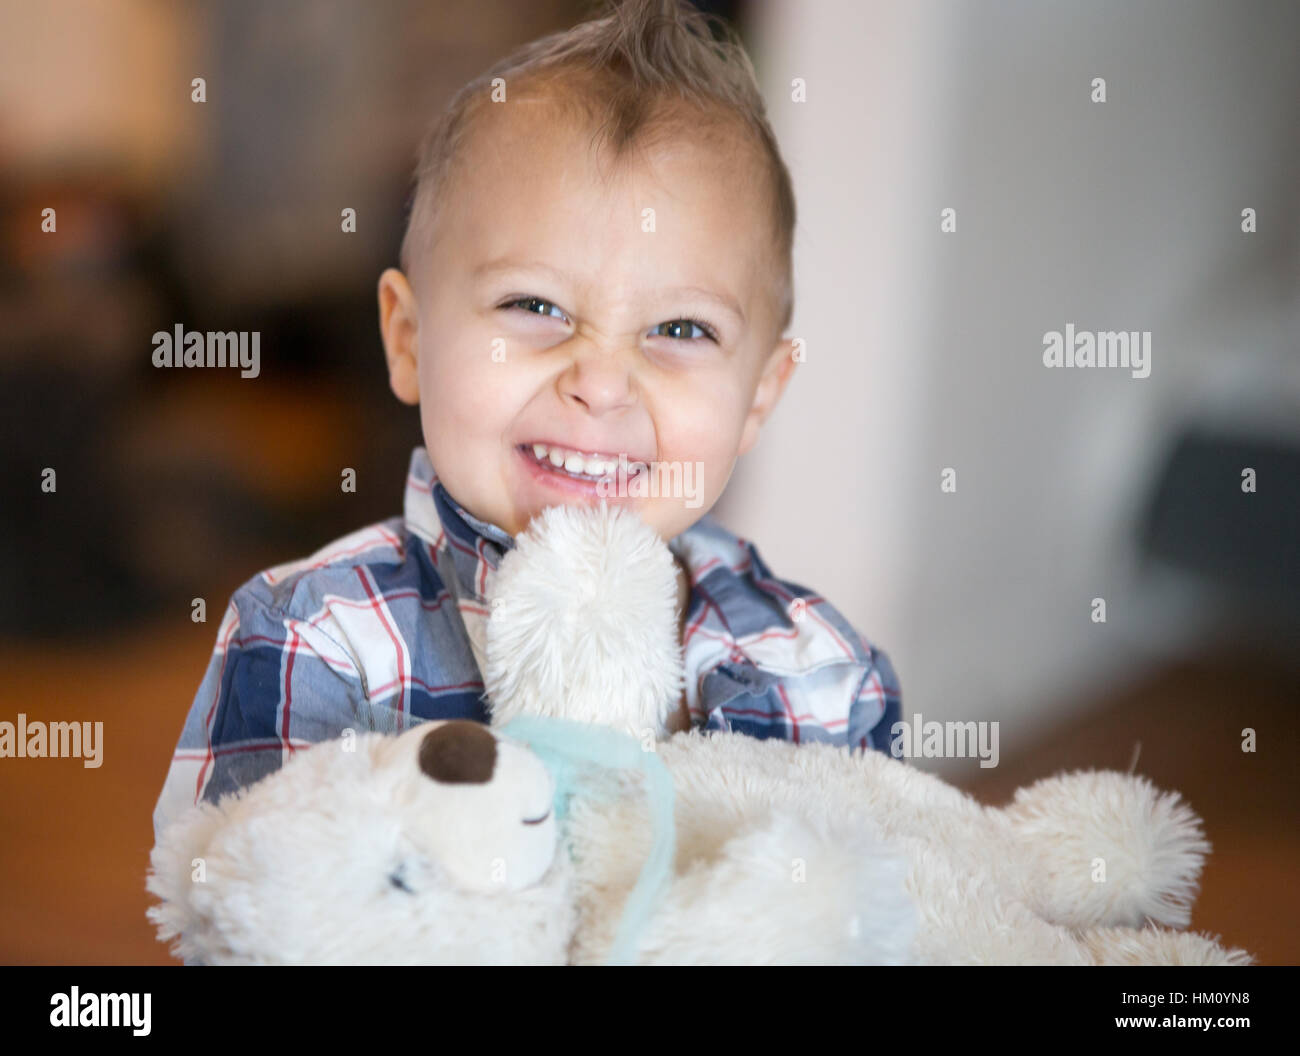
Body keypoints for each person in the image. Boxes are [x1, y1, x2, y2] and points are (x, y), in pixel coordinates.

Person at [153, 0, 901, 844]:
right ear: (408, 339)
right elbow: (254, 910)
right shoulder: (314, 646)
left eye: (681, 329)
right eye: (535, 304)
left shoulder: (825, 675)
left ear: (759, 398)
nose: (601, 381)